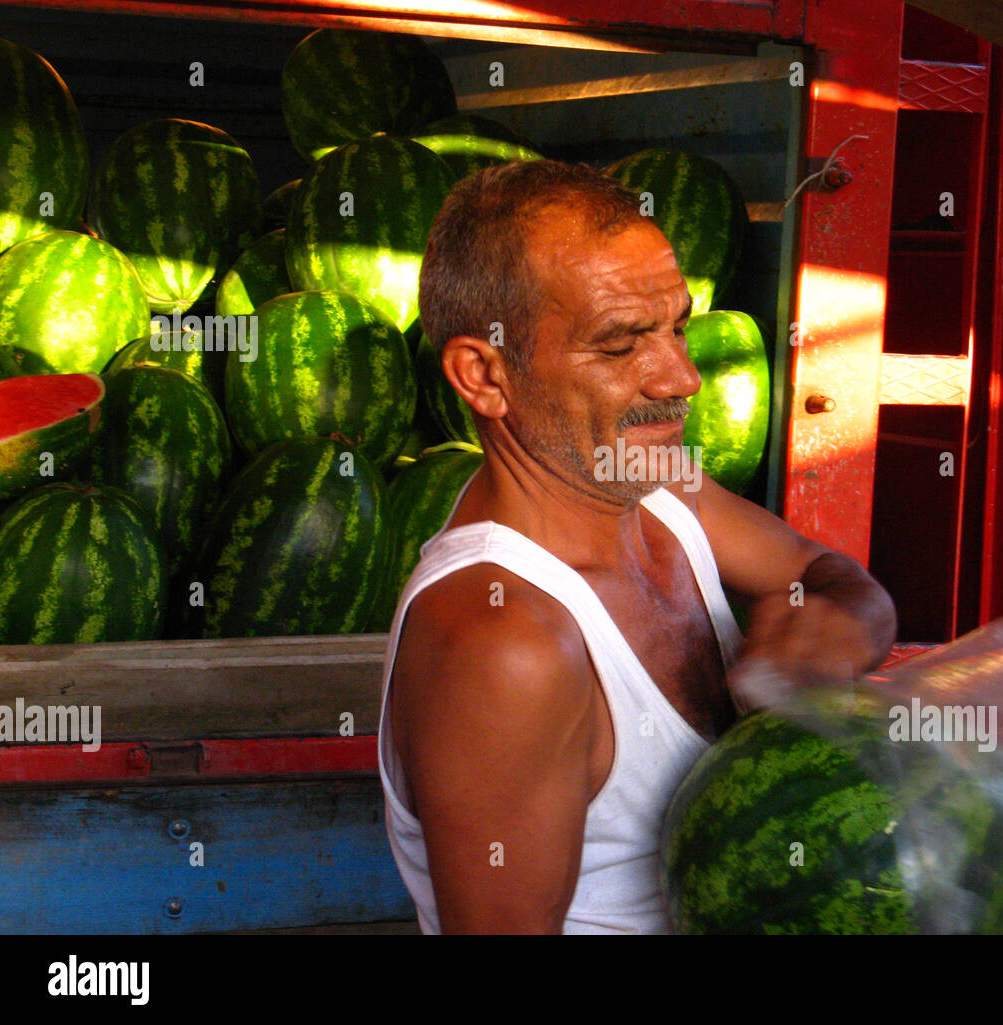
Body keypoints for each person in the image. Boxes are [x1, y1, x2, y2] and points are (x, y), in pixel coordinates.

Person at [377, 159, 897, 934]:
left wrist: (840, 624)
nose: (683, 377)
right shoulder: (507, 640)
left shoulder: (662, 492)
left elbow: (832, 575)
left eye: (677, 325)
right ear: (483, 375)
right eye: (622, 346)